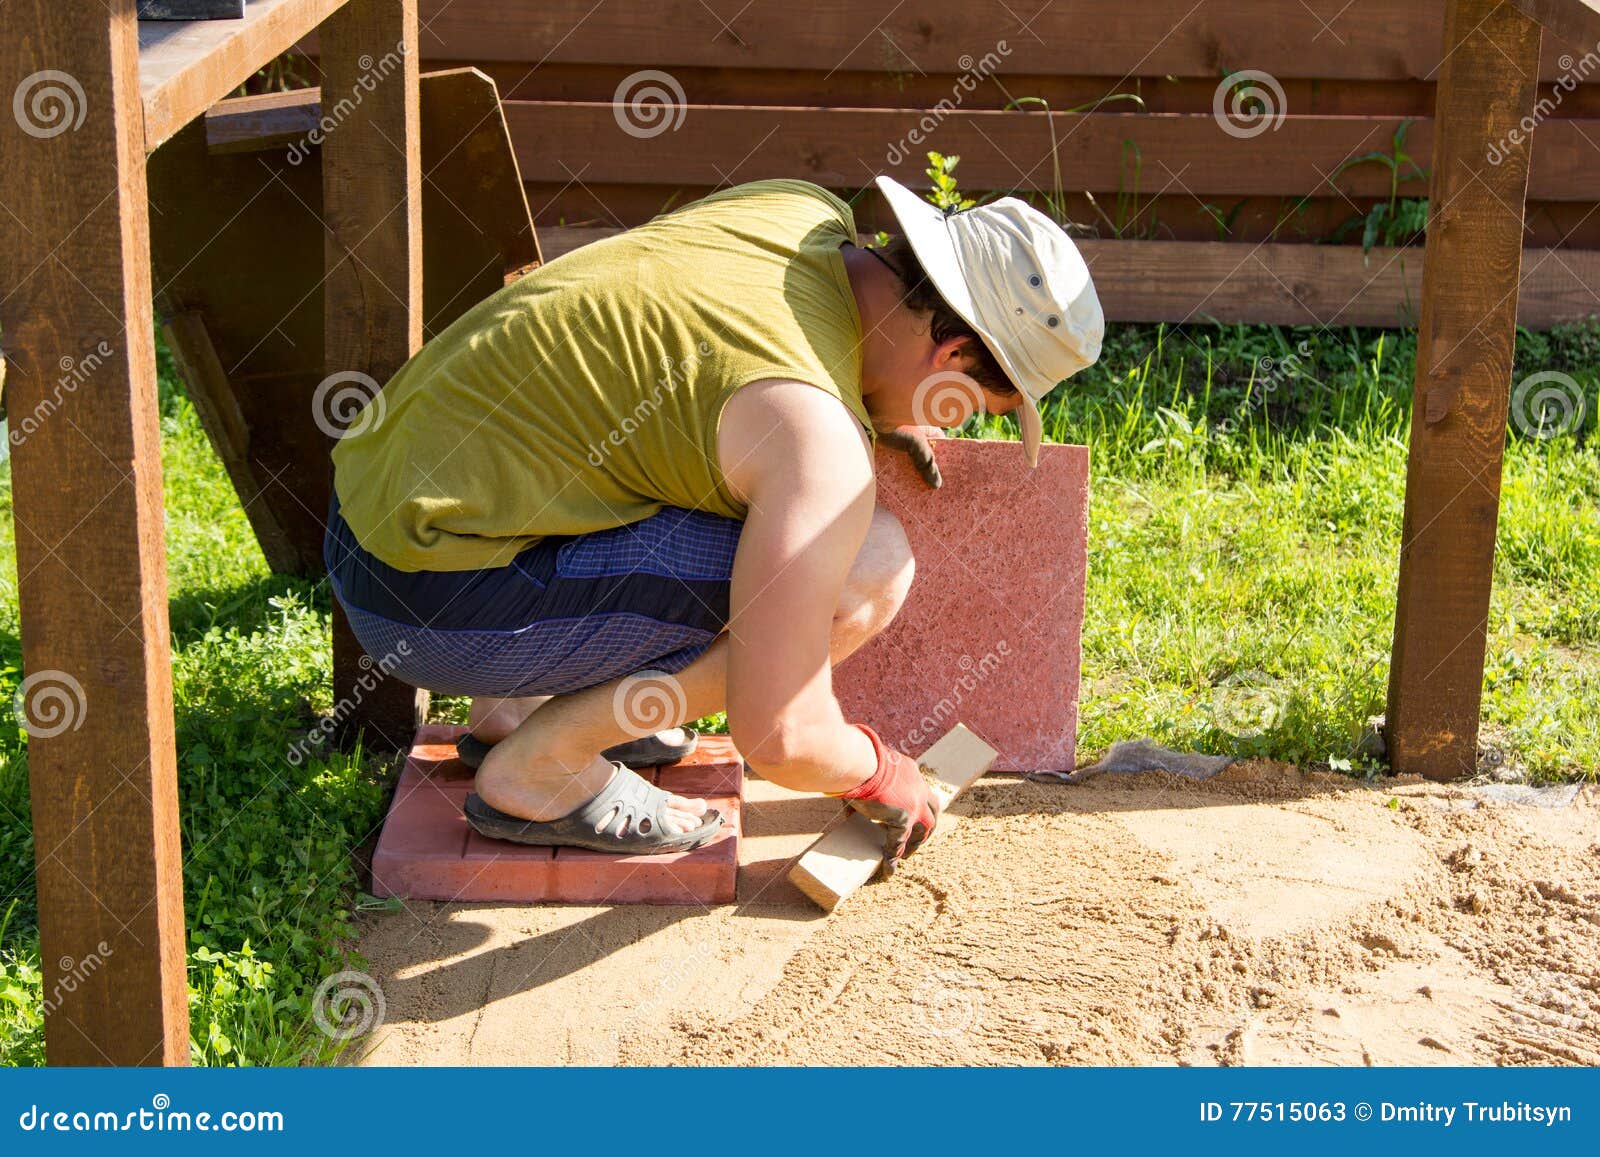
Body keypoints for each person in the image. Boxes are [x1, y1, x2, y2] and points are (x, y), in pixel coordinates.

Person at [324, 175, 1101, 874]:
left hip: (373, 515)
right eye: (974, 406)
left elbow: (693, 357)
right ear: (955, 352)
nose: (955, 423)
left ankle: (513, 709)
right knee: (870, 565)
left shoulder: (795, 211)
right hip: (427, 609)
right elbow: (781, 731)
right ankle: (543, 764)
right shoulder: (812, 441)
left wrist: (859, 406)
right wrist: (878, 768)